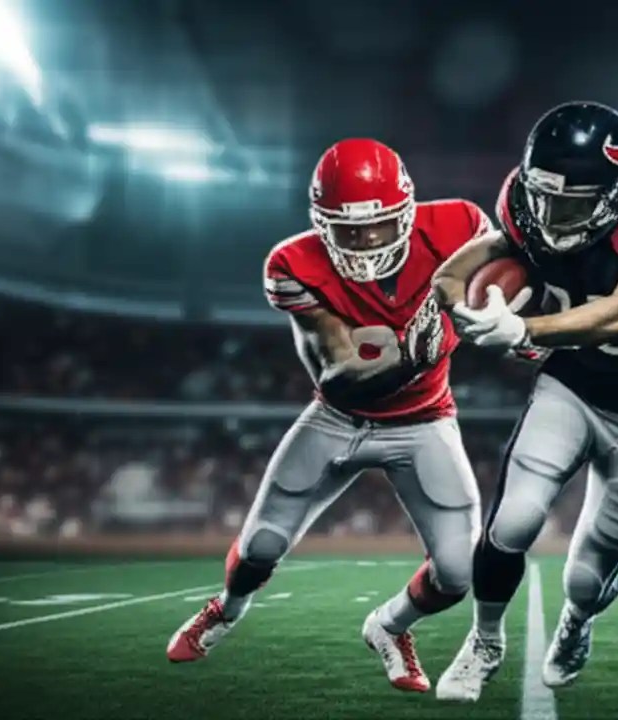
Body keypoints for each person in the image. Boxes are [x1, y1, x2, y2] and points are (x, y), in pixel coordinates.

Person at [166, 138, 492, 694]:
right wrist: (415, 352)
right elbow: (337, 371)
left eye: (379, 225)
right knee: (261, 546)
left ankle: (389, 627)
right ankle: (228, 608)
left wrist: (508, 315)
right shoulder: (292, 264)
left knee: (460, 574)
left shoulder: (460, 226)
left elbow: (499, 282)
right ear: (321, 223)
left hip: (425, 421)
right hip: (339, 419)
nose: (365, 241)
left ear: (408, 212)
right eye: (348, 229)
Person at [430, 102, 618, 700]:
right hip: (572, 388)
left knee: (587, 578)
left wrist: (526, 331)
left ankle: (577, 622)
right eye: (545, 197)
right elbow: (454, 275)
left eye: (574, 203)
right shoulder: (521, 205)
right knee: (513, 522)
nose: (553, 214)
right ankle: (483, 641)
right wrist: (469, 312)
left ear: (615, 193)